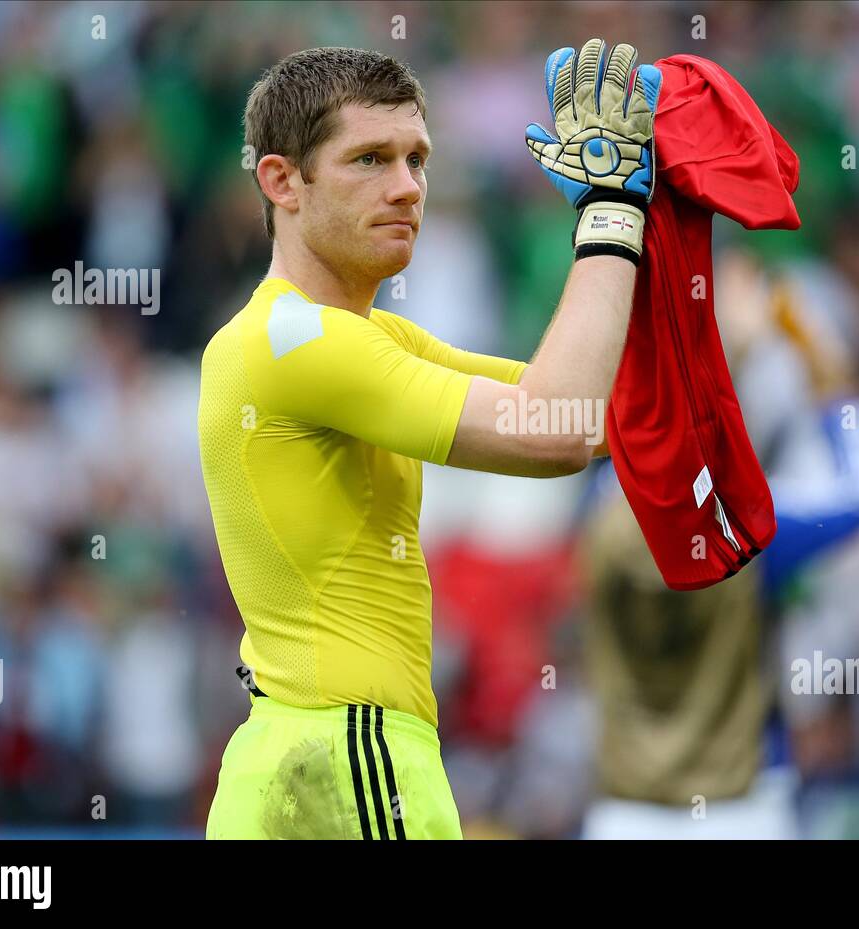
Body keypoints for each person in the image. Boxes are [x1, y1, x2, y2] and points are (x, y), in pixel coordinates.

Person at [199, 40, 662, 839]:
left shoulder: (355, 337)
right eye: (370, 159)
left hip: (310, 759)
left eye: (417, 159)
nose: (408, 186)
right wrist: (612, 210)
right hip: (349, 760)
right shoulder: (299, 341)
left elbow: (601, 416)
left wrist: (665, 242)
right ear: (281, 181)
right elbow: (556, 428)